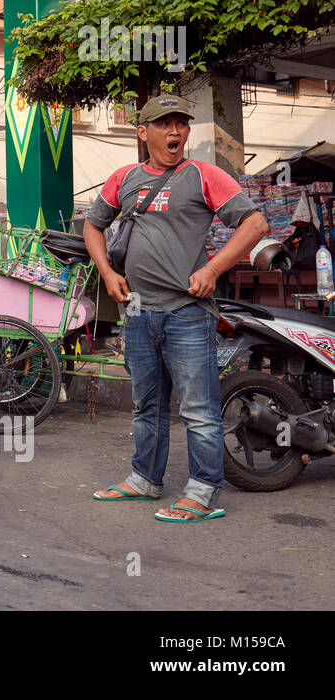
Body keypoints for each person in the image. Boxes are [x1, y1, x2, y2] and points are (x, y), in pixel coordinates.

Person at [85, 95, 269, 522]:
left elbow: (255, 223)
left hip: (187, 312)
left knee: (199, 410)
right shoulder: (124, 178)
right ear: (142, 132)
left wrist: (214, 267)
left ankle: (202, 491)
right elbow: (94, 225)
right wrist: (108, 275)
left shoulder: (204, 175)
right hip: (138, 313)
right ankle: (144, 479)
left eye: (181, 125)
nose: (175, 132)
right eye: (164, 124)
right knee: (146, 405)